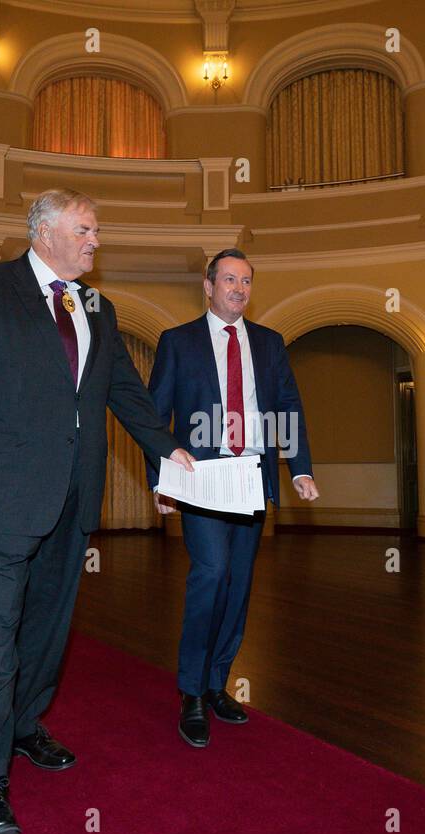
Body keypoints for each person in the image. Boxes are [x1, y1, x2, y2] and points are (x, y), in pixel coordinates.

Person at [0, 188, 195, 834]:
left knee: (48, 627)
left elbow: (125, 391)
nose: (96, 241)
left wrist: (166, 450)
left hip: (74, 497)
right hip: (5, 493)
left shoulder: (99, 307)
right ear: (45, 232)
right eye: (87, 229)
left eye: (96, 231)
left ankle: (25, 724)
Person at [144, 248, 318, 748]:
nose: (238, 289)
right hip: (201, 477)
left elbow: (288, 404)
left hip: (252, 477)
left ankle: (218, 683)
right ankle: (191, 692)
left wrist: (299, 467)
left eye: (246, 281)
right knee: (212, 572)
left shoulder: (269, 343)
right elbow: (157, 416)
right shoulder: (177, 342)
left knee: (238, 584)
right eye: (229, 280)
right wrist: (161, 481)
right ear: (208, 285)